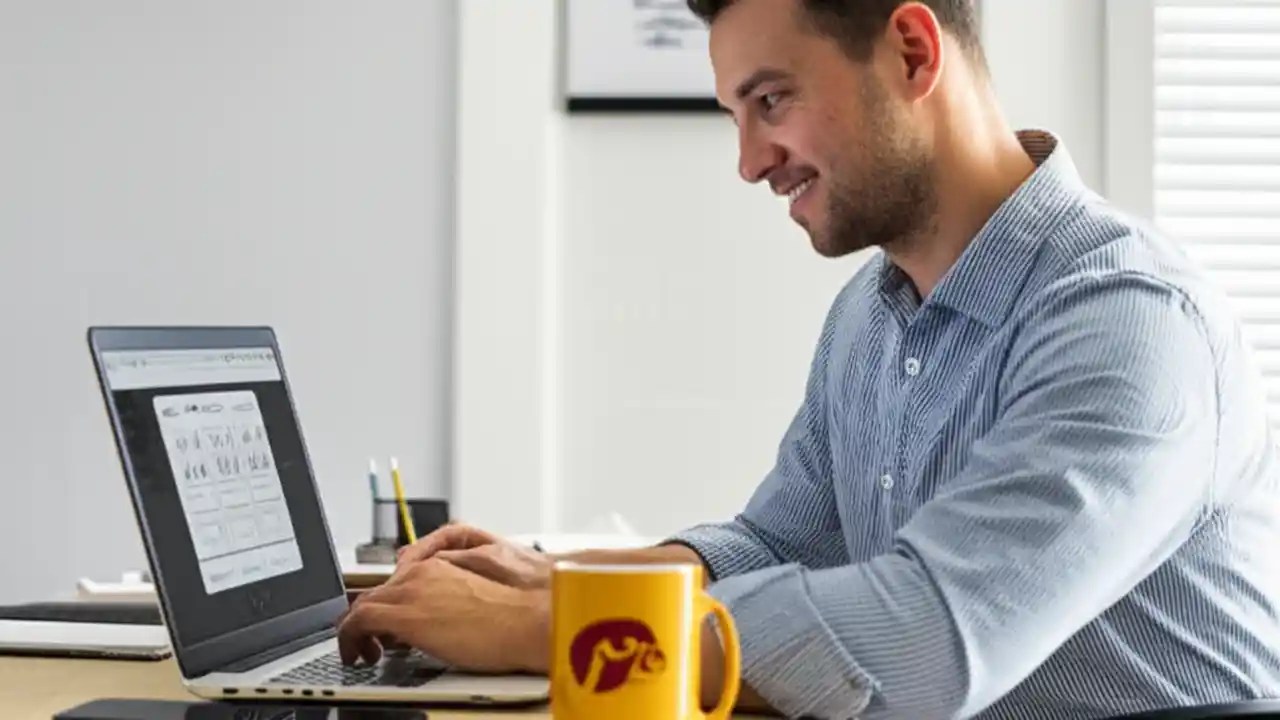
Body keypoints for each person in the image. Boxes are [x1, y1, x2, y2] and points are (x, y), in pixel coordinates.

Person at [337, 0, 1280, 717]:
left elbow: (923, 643)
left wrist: (555, 631)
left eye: (771, 100)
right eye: (735, 114)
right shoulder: (869, 318)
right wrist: (567, 581)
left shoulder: (1129, 321)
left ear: (912, 52)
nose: (750, 161)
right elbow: (781, 540)